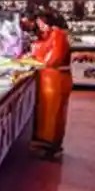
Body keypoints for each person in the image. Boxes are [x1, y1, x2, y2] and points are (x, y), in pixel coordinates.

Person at [28, 10, 73, 159]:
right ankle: (45, 144)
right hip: (48, 79)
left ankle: (51, 147)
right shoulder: (48, 35)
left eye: (40, 22)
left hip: (56, 79)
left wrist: (34, 61)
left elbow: (54, 59)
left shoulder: (58, 34)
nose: (39, 25)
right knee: (47, 112)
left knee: (53, 114)